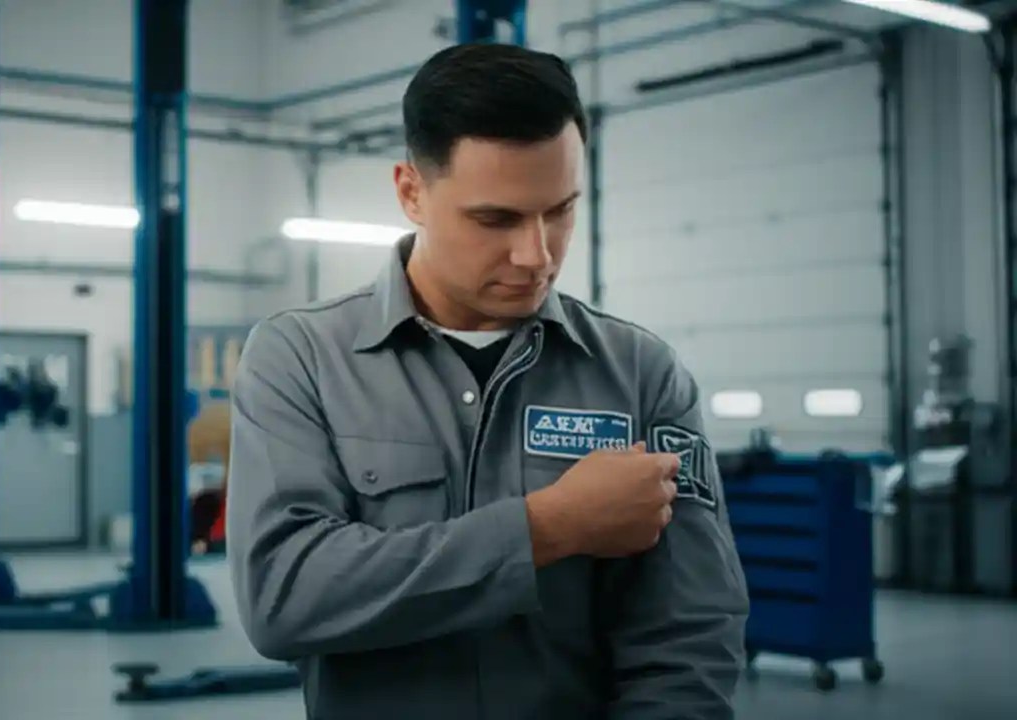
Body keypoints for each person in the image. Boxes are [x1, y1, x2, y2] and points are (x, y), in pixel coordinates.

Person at [227, 42, 749, 720]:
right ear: (411, 190)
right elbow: (283, 597)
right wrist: (550, 526)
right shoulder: (300, 358)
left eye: (560, 210)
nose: (537, 254)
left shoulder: (641, 373)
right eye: (495, 218)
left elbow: (690, 639)